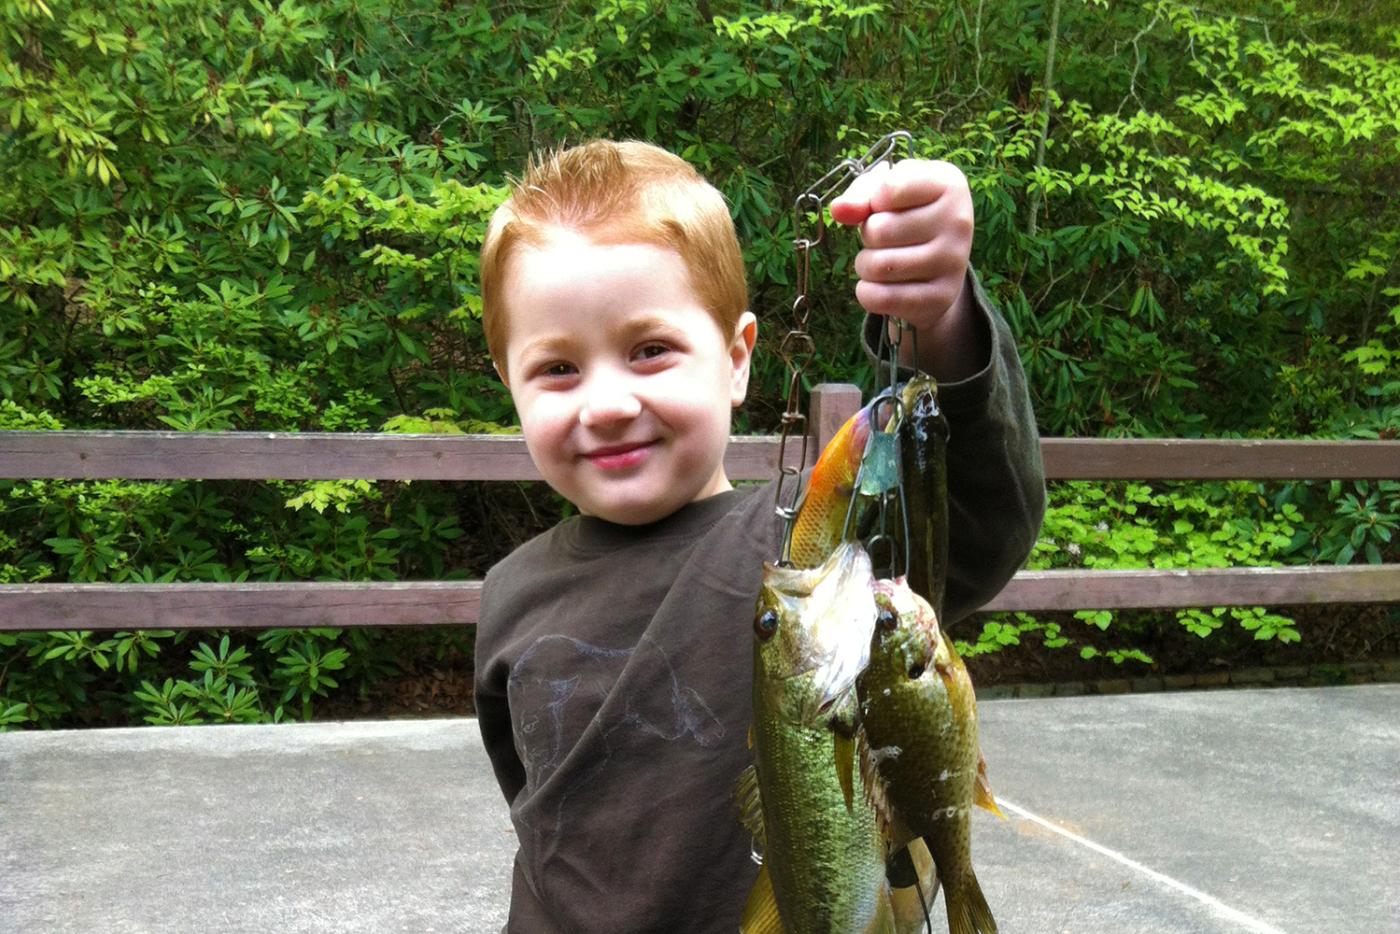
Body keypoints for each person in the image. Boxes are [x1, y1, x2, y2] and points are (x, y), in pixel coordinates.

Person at [473, 139, 1045, 933]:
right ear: (510, 384)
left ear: (737, 360)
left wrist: (939, 317)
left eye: (651, 350)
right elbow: (535, 810)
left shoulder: (805, 553)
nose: (604, 403)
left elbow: (984, 516)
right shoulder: (509, 592)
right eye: (557, 369)